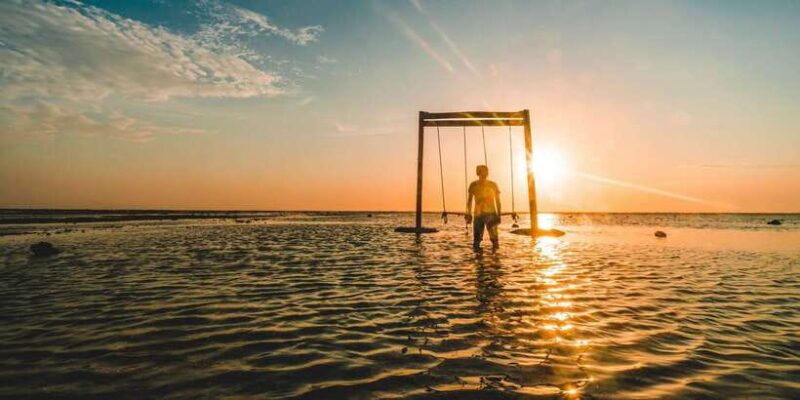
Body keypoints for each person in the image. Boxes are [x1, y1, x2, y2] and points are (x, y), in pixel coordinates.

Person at [466, 165, 501, 251]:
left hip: (491, 214)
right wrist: (469, 214)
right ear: (478, 173)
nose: (484, 173)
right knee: (476, 241)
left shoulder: (493, 185)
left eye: (486, 171)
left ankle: (494, 260)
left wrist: (498, 215)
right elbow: (469, 201)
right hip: (478, 215)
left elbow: (498, 201)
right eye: (482, 171)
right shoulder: (473, 185)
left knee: (494, 240)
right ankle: (478, 261)